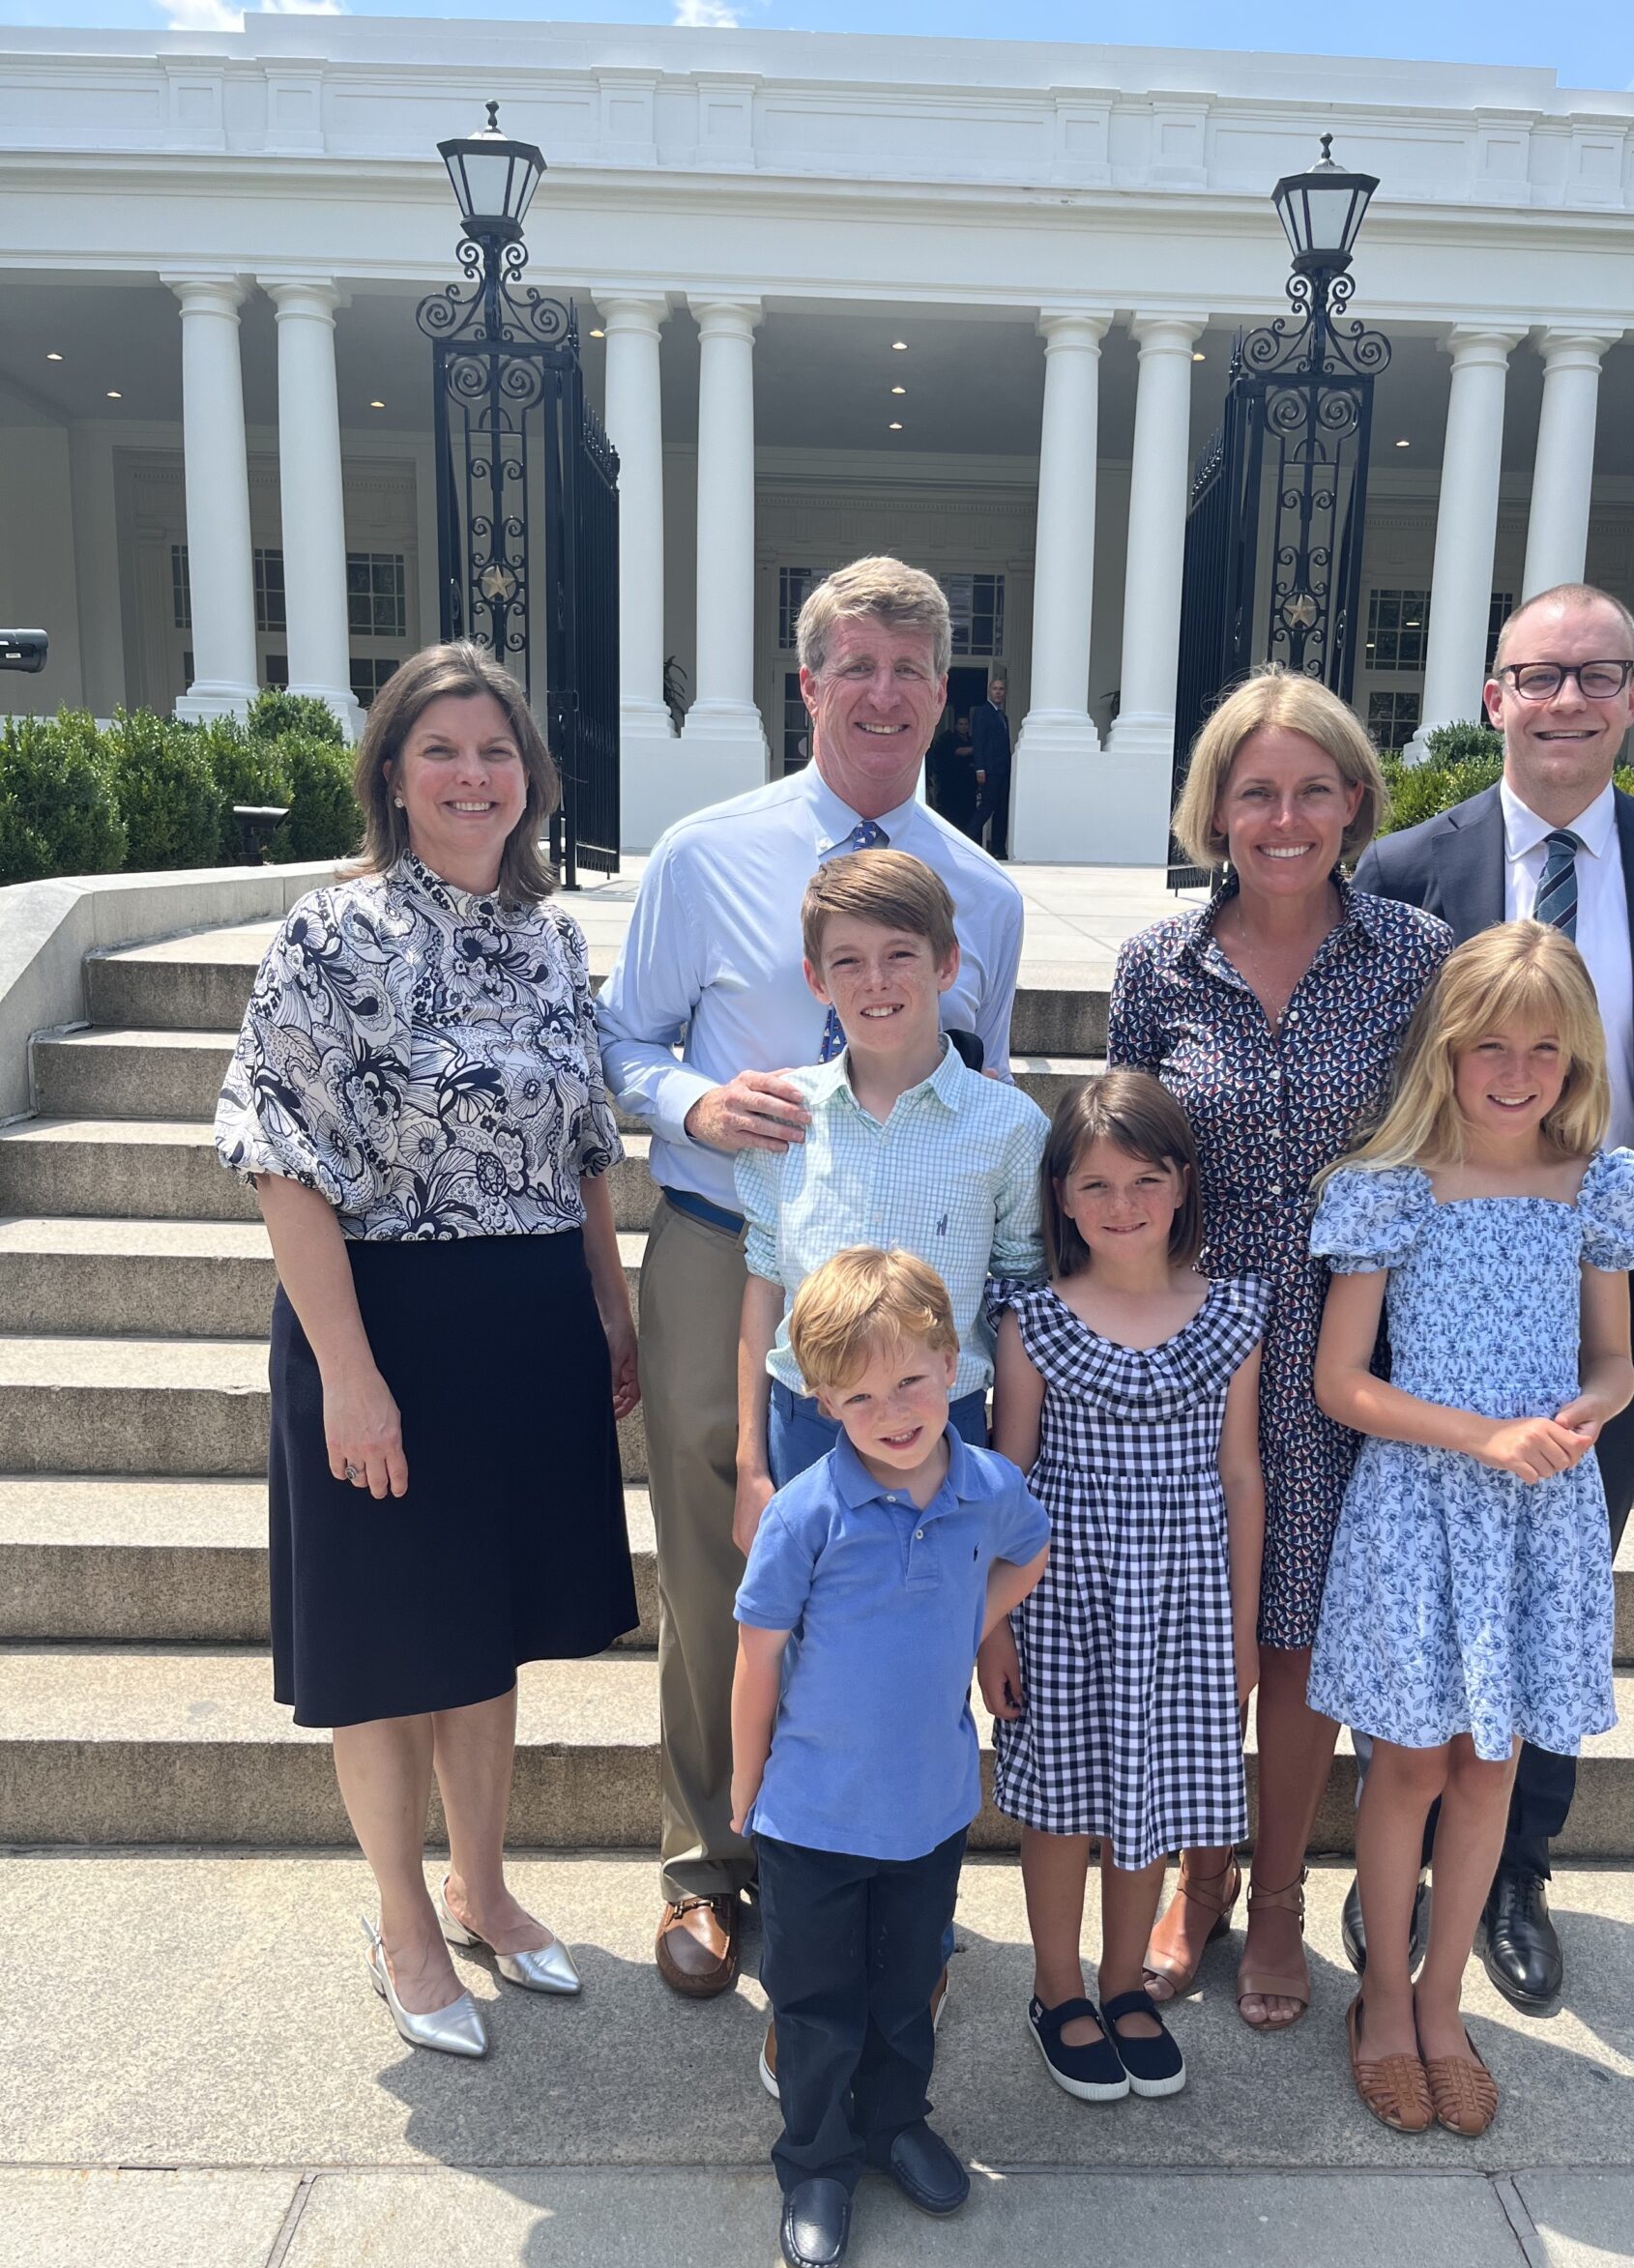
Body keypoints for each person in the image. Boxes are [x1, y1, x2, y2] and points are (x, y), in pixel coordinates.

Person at [598, 557, 1025, 2004]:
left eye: (912, 670)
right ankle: (712, 1862)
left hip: (919, 1308)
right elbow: (619, 1041)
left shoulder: (982, 893)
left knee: (898, 1578)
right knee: (725, 1563)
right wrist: (695, 1104)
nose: (884, 695)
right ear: (809, 684)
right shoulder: (704, 855)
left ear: (944, 693)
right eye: (857, 666)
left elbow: (985, 1088)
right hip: (736, 1253)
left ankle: (880, 1859)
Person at [214, 642, 638, 2058]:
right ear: (392, 775)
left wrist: (611, 1301)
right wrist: (348, 1374)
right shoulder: (327, 935)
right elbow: (281, 1156)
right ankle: (401, 1915)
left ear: (531, 777)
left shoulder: (551, 937)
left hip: (528, 1324)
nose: (473, 775)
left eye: (496, 750)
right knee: (390, 1640)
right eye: (442, 750)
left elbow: (584, 1144)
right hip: (380, 1320)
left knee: (485, 1630)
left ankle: (483, 1885)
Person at [1350, 582, 1634, 2011]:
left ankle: (1515, 1865)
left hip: (1600, 1295)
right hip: (1433, 1313)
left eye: (1596, 675)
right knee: (1419, 1617)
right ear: (1494, 698)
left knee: (1558, 1594)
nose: (1567, 699)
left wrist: (1606, 1249)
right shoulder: (1406, 868)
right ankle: (1395, 1865)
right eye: (1539, 675)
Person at [1109, 669, 1449, 2029]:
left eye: (1314, 789)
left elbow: (1457, 1143)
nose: (1287, 817)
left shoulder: (1416, 956)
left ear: (1356, 802)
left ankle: (1285, 1898)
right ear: (1216, 810)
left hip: (1346, 1347)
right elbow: (1121, 1157)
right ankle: (1201, 1884)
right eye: (1257, 792)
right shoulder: (1157, 965)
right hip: (1191, 1345)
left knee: (1299, 1638)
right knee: (1203, 1627)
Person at [1307, 923, 1634, 2134]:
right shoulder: (1392, 1186)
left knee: (1490, 1763)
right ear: (1447, 1051)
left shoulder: (1596, 1186)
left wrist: (1587, 1409)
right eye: (1491, 1047)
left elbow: (1614, 1360)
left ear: (1578, 1060)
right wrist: (1481, 1435)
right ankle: (1380, 2002)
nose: (1517, 1073)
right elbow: (1341, 1382)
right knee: (1409, 1761)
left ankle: (1444, 1999)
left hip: (1538, 1517)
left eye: (1545, 1051)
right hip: (1420, 1508)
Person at [733, 844, 1047, 2091]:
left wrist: (1001, 1481)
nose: (877, 983)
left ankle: (916, 1943)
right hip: (810, 1430)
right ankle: (805, 1970)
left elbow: (1016, 1305)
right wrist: (748, 1458)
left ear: (948, 965)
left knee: (919, 1683)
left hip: (944, 1435)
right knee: (813, 1682)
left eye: (900, 957)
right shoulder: (785, 1118)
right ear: (816, 978)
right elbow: (762, 1284)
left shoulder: (1004, 1127)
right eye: (849, 963)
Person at [731, 1248, 1049, 2268]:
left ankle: (896, 2121)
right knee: (816, 2000)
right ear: (823, 1401)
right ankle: (817, 2159)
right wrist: (744, 1782)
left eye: (912, 1380)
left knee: (908, 1986)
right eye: (860, 1396)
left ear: (954, 1364)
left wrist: (973, 1620)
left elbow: (1031, 1547)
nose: (894, 1411)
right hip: (813, 1816)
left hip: (929, 1807)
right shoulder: (804, 1514)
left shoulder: (987, 1486)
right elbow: (756, 1657)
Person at [983, 1073, 1268, 2103]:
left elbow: (1242, 1475)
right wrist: (992, 1628)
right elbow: (1007, 1478)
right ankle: (1057, 1987)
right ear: (1061, 1196)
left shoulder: (1231, 1312)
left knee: (1150, 1798)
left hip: (1184, 1602)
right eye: (1096, 1184)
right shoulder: (1033, 1321)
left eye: (1145, 1180)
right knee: (1061, 1802)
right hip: (1062, 1599)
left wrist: (1241, 1631)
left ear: (1182, 1184)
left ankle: (1122, 1982)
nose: (1122, 1204)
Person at [971, 675, 1012, 859]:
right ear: (989, 691)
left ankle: (998, 849)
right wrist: (980, 768)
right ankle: (968, 840)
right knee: (986, 807)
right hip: (990, 770)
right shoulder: (983, 713)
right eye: (995, 689)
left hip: (1003, 770)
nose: (998, 692)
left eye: (1001, 689)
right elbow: (979, 742)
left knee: (1002, 810)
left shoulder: (1003, 716)